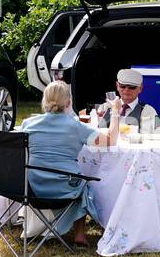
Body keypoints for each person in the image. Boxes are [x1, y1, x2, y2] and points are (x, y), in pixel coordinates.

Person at [20, 80, 103, 247]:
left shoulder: (27, 124)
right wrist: (114, 113)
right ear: (68, 102)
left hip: (33, 187)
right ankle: (79, 234)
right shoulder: (75, 126)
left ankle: (33, 227)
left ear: (45, 100)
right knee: (83, 184)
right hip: (65, 187)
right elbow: (110, 141)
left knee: (76, 180)